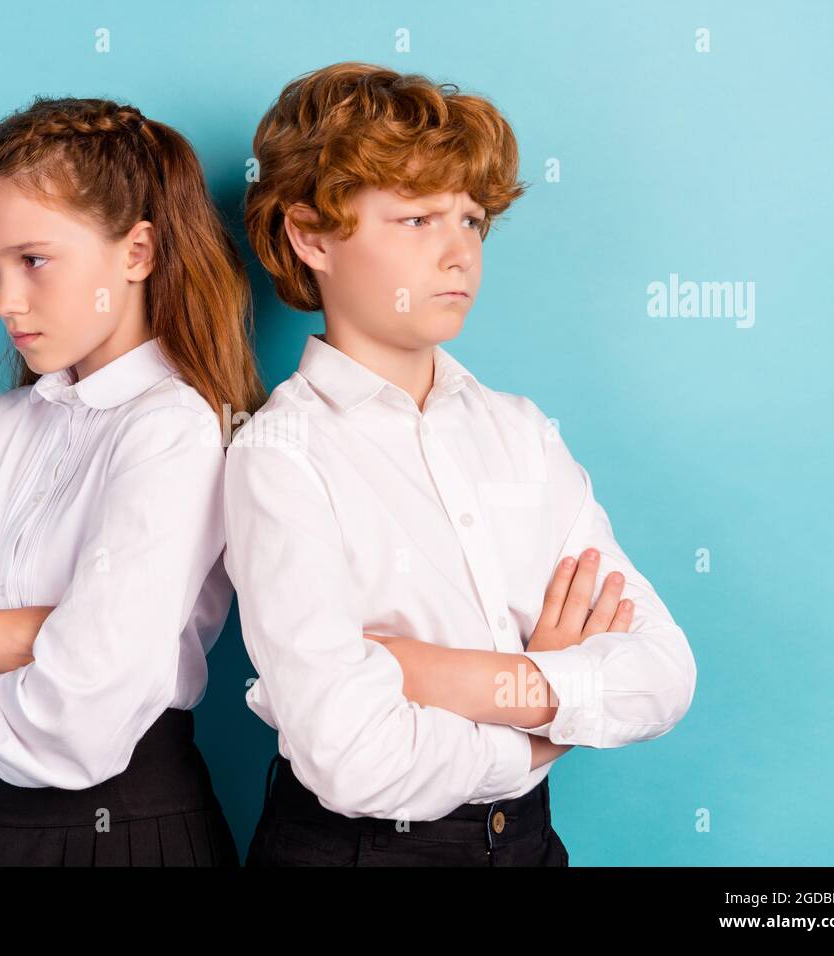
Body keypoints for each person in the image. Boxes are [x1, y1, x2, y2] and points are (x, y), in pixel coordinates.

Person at [226, 61, 698, 866]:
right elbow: (354, 758)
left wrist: (445, 677)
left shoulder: (521, 432)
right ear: (310, 236)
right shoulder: (279, 453)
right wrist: (550, 716)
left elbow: (663, 673)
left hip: (531, 845)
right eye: (415, 220)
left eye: (471, 220)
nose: (459, 255)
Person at [0, 95, 264, 866]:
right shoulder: (7, 424)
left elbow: (79, 723)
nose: (3, 301)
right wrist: (6, 636)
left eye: (34, 259)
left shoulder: (173, 429)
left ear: (136, 253)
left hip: (119, 833)